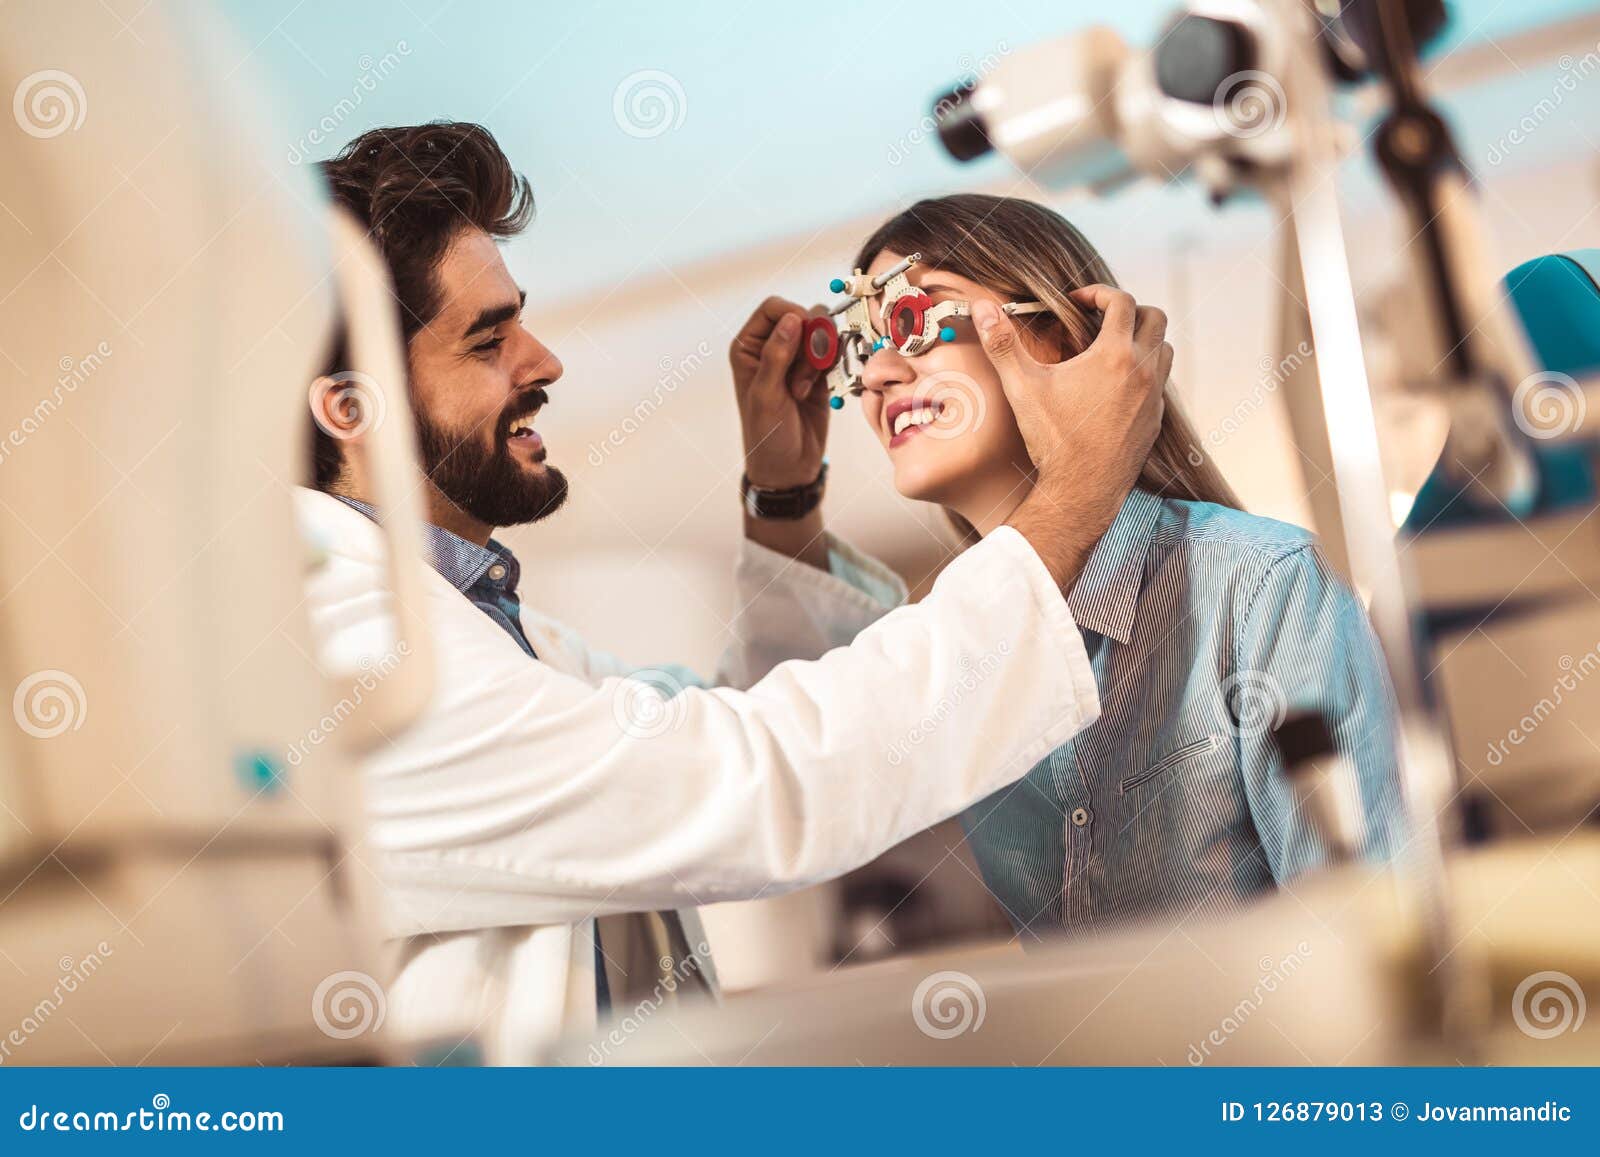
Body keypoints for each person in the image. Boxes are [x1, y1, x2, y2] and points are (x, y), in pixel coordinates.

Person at [296, 124, 1172, 1061]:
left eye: (523, 319)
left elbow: (737, 723)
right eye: (487, 340)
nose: (545, 362)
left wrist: (783, 499)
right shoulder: (347, 652)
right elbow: (751, 784)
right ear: (352, 409)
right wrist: (1078, 491)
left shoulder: (483, 628)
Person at [847, 193, 1406, 940]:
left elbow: (1372, 934)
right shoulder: (955, 653)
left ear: (1060, 339)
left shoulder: (1263, 585)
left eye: (912, 322)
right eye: (860, 348)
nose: (878, 375)